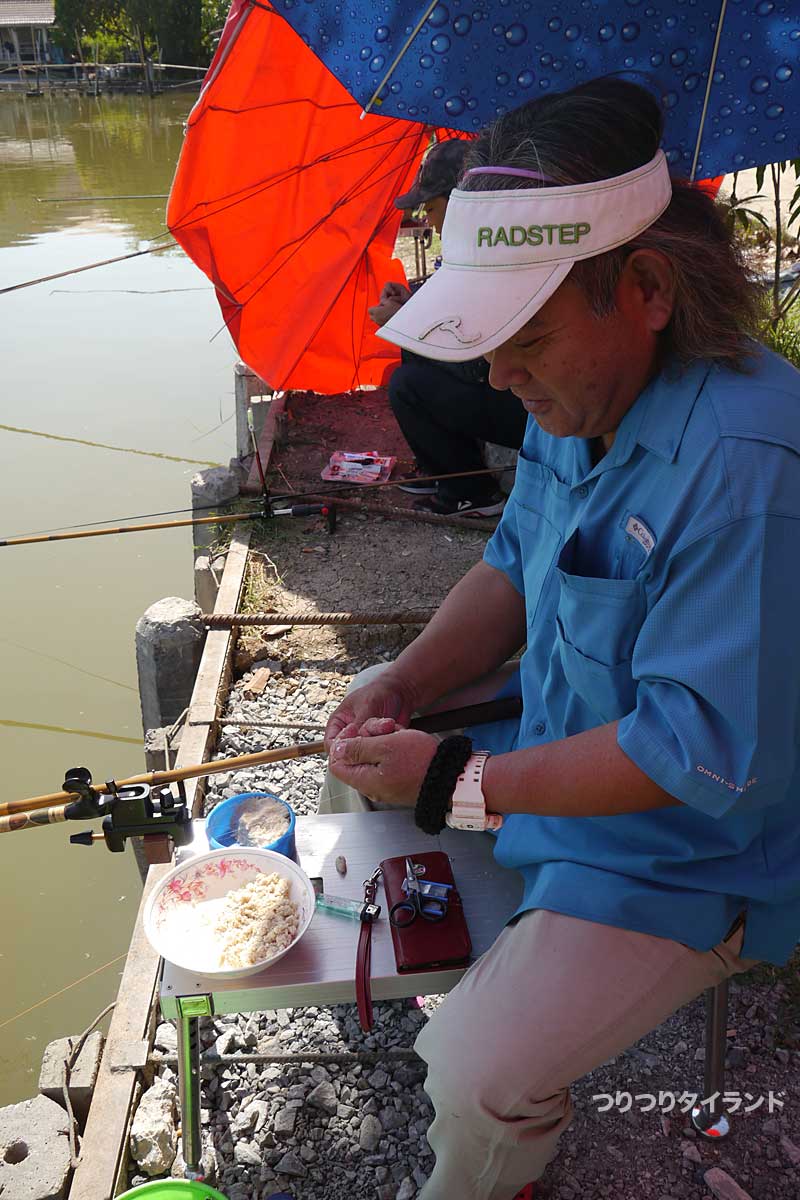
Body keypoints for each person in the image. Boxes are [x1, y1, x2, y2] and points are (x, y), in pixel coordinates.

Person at [321, 77, 800, 1200]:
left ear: (642, 288)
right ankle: (489, 957)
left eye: (523, 339)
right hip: (555, 760)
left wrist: (463, 778)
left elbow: (695, 751)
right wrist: (405, 680)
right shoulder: (579, 403)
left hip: (688, 858)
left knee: (472, 1076)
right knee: (362, 738)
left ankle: (499, 1160)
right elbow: (512, 567)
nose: (495, 378)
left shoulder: (748, 471)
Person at [370, 138, 527, 516]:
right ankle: (446, 471)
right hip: (510, 394)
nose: (425, 219)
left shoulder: (495, 259)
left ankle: (473, 492)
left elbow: (478, 364)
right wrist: (411, 303)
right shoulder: (481, 248)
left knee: (407, 385)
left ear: (461, 204)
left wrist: (405, 323)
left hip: (527, 405)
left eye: (431, 207)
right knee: (411, 363)